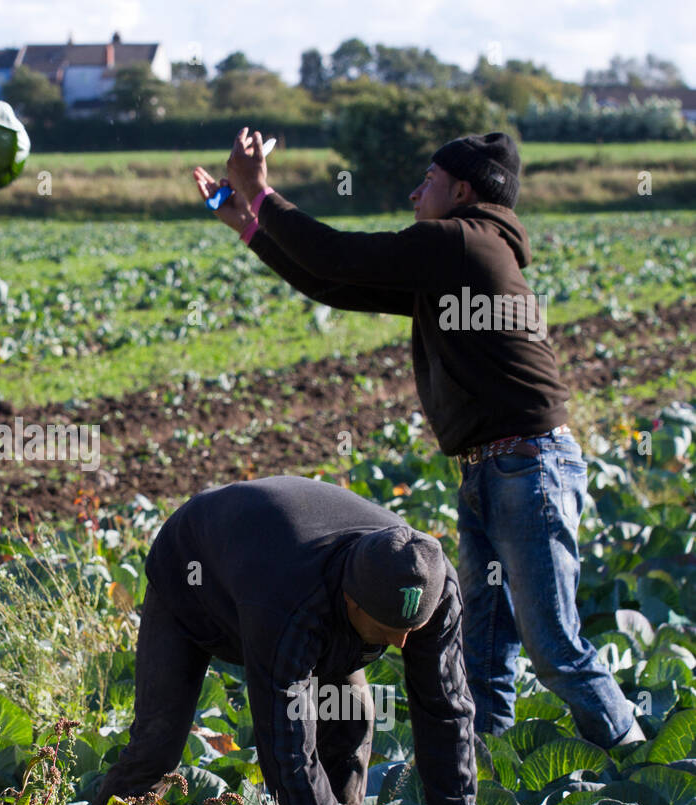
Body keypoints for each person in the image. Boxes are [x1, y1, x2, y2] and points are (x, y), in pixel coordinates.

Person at [192, 130, 644, 752]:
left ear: (461, 190)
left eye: (426, 180)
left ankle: (640, 758)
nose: (413, 191)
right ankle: (490, 788)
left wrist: (263, 192)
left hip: (527, 468)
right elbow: (333, 283)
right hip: (493, 469)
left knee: (555, 648)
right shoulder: (456, 254)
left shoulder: (459, 242)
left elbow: (336, 254)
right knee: (483, 657)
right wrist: (249, 225)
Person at [88, 476, 477, 805]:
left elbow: (446, 709)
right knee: (157, 744)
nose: (401, 641)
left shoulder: (432, 586)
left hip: (286, 570)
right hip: (193, 574)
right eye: (387, 628)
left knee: (349, 719)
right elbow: (287, 750)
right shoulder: (289, 606)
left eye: (412, 628)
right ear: (350, 601)